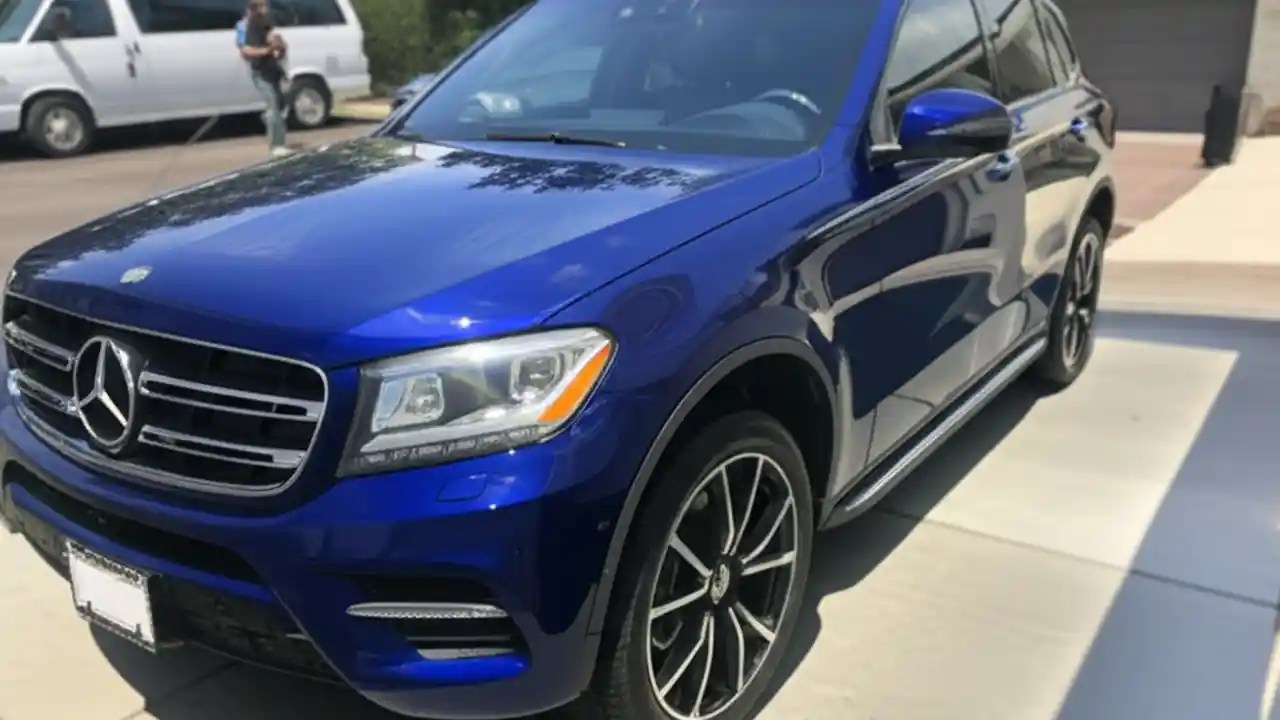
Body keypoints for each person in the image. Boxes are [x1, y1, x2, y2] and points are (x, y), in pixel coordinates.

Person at [235, 0, 291, 158]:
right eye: (259, 6)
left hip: (274, 70)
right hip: (259, 71)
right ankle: (277, 146)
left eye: (264, 5)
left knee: (281, 103)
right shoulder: (244, 26)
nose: (264, 8)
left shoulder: (267, 23)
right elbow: (245, 50)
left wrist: (279, 45)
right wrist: (266, 51)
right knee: (273, 103)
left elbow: (275, 41)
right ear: (250, 8)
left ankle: (269, 117)